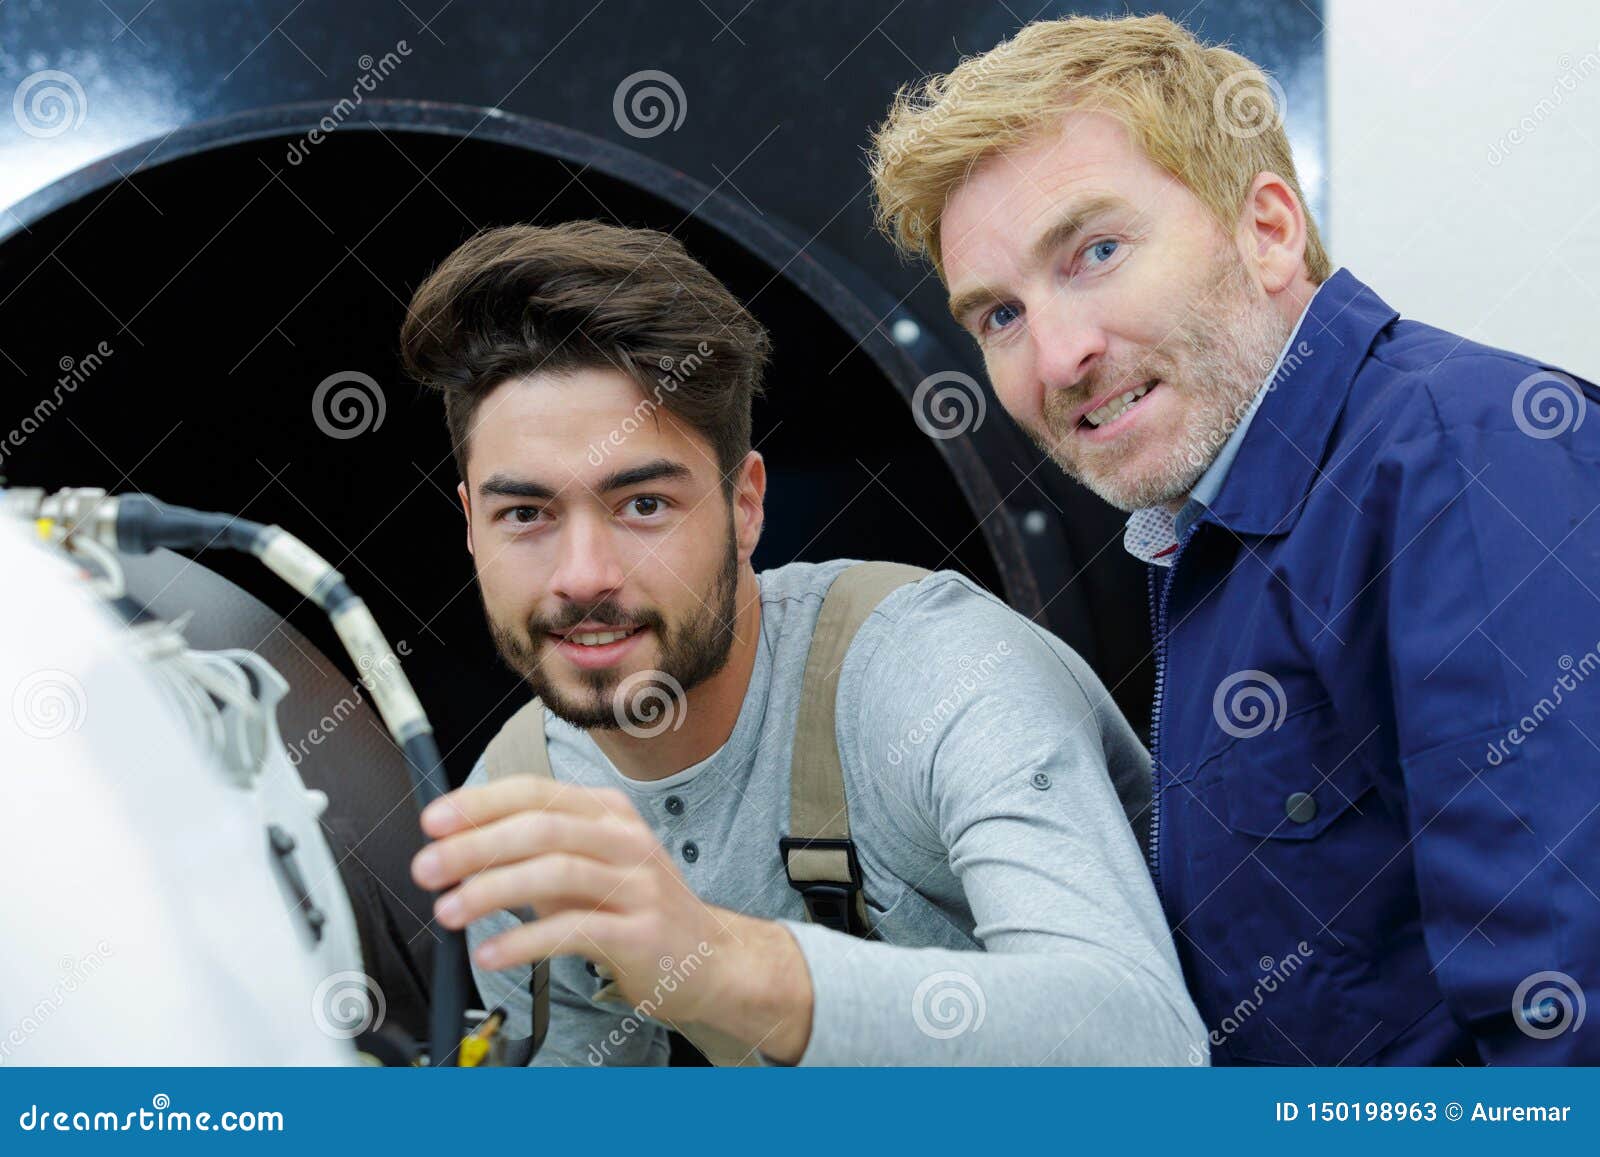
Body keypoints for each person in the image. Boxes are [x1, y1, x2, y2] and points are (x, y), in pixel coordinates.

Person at [868, 12, 1600, 1064]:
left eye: (1096, 252)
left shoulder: (1462, 458)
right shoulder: (1213, 526)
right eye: (997, 316)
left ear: (1266, 230)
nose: (1057, 356)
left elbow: (1564, 1032)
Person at [398, 219, 1203, 1066]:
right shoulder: (524, 793)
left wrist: (725, 967)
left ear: (746, 505)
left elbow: (1149, 1046)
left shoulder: (935, 674)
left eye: (643, 505)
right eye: (525, 515)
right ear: (470, 528)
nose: (582, 575)